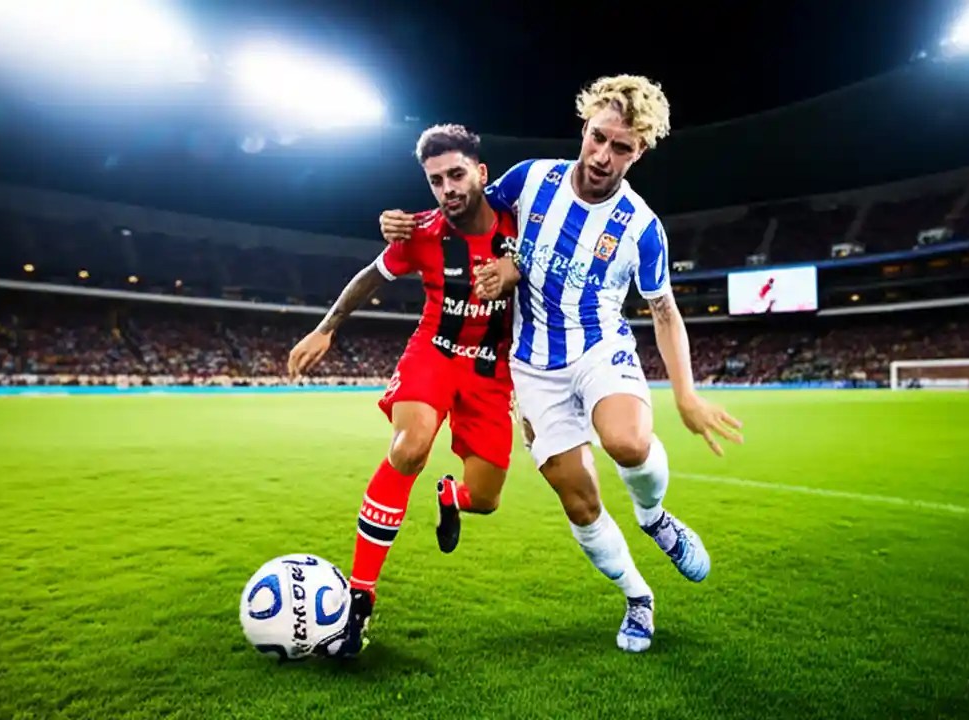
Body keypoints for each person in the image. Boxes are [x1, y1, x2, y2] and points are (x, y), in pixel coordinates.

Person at [379, 75, 744, 653]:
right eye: (598, 138)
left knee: (626, 442)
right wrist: (406, 228)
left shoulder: (643, 227)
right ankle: (638, 598)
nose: (603, 156)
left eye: (620, 147)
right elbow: (467, 211)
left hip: (601, 349)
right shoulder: (530, 180)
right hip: (532, 367)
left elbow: (666, 311)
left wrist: (687, 395)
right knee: (580, 499)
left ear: (639, 151)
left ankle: (654, 517)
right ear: (585, 127)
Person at [289, 124, 518, 658]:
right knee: (409, 447)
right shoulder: (422, 233)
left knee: (485, 499)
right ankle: (359, 600)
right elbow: (370, 276)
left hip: (492, 372)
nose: (448, 189)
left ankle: (451, 496)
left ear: (481, 174)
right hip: (434, 353)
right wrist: (327, 327)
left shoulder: (523, 222)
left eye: (456, 174)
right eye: (436, 181)